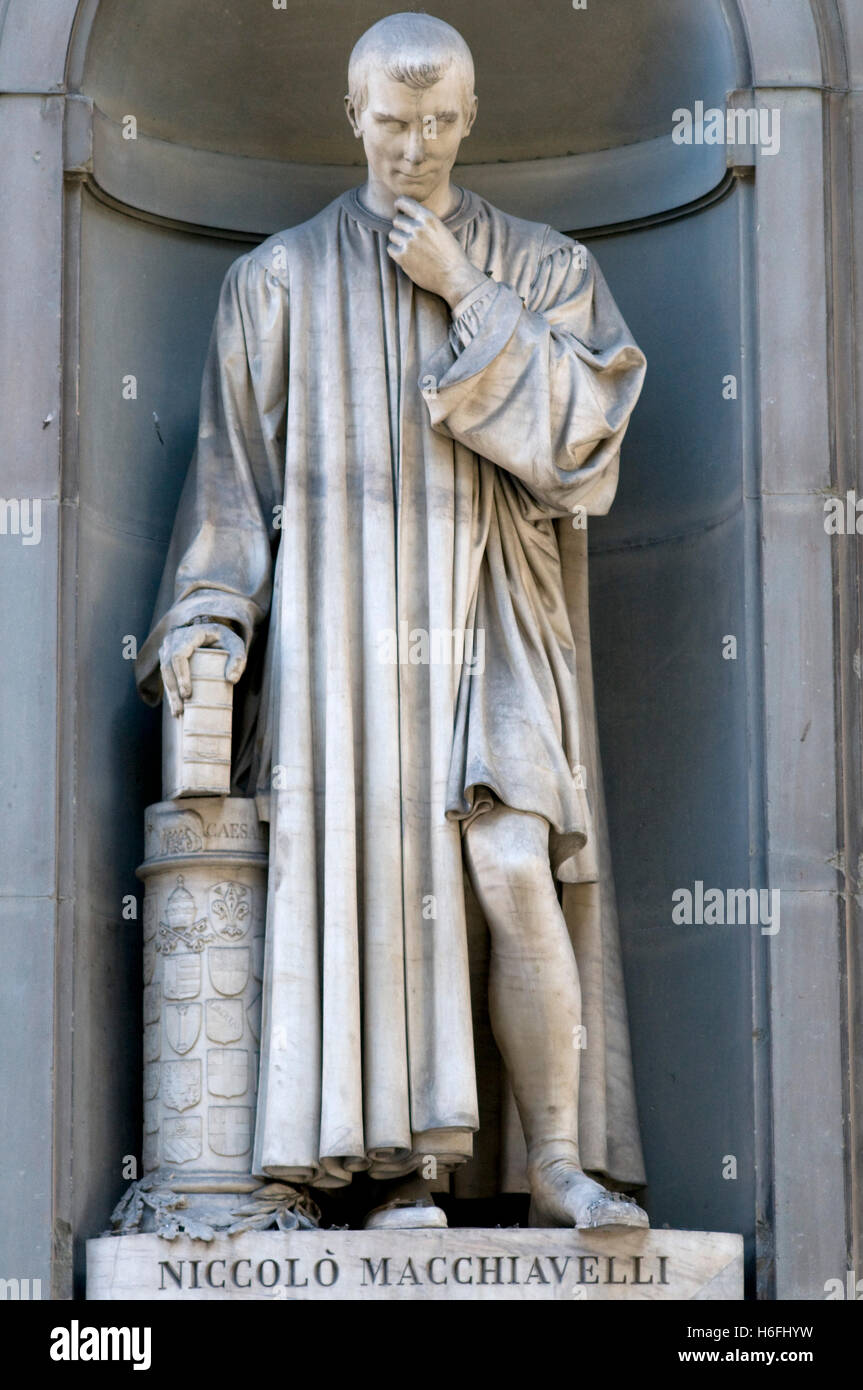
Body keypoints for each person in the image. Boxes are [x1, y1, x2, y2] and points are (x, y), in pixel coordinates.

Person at [137, 12, 648, 1229]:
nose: (411, 148)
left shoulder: (546, 267)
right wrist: (209, 629)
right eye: (390, 122)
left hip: (499, 615)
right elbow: (229, 495)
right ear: (348, 118)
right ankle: (400, 1172)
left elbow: (585, 450)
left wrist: (464, 289)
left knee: (514, 862)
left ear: (468, 121)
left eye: (435, 124)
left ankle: (559, 1160)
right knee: (382, 883)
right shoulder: (273, 281)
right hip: (345, 643)